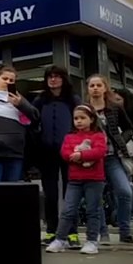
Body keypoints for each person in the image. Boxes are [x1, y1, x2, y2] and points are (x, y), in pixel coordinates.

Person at [46, 105, 108, 255]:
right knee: (67, 210)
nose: (78, 121)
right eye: (76, 118)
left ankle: (92, 241)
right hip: (74, 179)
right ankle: (60, 239)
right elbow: (65, 152)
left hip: (94, 180)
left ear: (92, 119)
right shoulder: (70, 137)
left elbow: (100, 151)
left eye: (82, 118)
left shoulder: (98, 135)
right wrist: (75, 156)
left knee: (93, 210)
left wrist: (81, 155)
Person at [29, 65, 81, 244]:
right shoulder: (40, 100)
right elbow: (31, 124)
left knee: (70, 194)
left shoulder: (73, 100)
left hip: (70, 153)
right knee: (50, 194)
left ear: (63, 79)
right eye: (50, 77)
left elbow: (81, 124)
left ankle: (72, 232)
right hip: (47, 153)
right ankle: (51, 231)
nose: (53, 79)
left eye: (57, 76)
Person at [84, 74, 133, 243]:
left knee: (125, 191)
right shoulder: (84, 109)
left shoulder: (114, 107)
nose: (96, 88)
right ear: (88, 89)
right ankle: (102, 232)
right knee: (96, 197)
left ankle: (125, 232)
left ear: (105, 88)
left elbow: (129, 128)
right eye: (92, 85)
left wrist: (121, 140)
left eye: (99, 85)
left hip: (113, 157)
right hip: (93, 160)